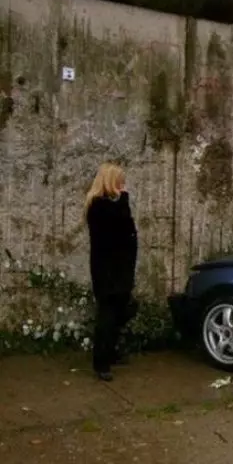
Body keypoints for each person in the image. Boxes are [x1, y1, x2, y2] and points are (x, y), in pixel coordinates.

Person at [85, 162, 138, 381]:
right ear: (110, 181)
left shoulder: (111, 205)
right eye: (119, 181)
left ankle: (112, 351)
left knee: (121, 310)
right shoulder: (99, 206)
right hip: (108, 269)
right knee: (107, 314)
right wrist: (123, 200)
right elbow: (118, 228)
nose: (122, 186)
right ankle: (101, 362)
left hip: (121, 267)